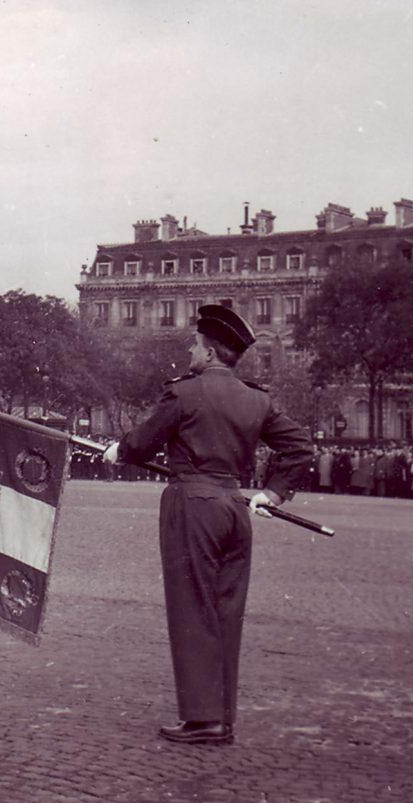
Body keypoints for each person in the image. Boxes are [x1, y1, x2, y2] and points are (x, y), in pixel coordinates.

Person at [104, 304, 313, 746]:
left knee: (193, 608)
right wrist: (272, 493)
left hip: (192, 504)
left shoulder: (185, 393)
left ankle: (203, 720)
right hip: (234, 506)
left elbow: (141, 444)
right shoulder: (257, 399)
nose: (190, 350)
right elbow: (299, 448)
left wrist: (118, 452)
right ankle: (222, 716)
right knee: (225, 611)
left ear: (212, 351)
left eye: (196, 344)